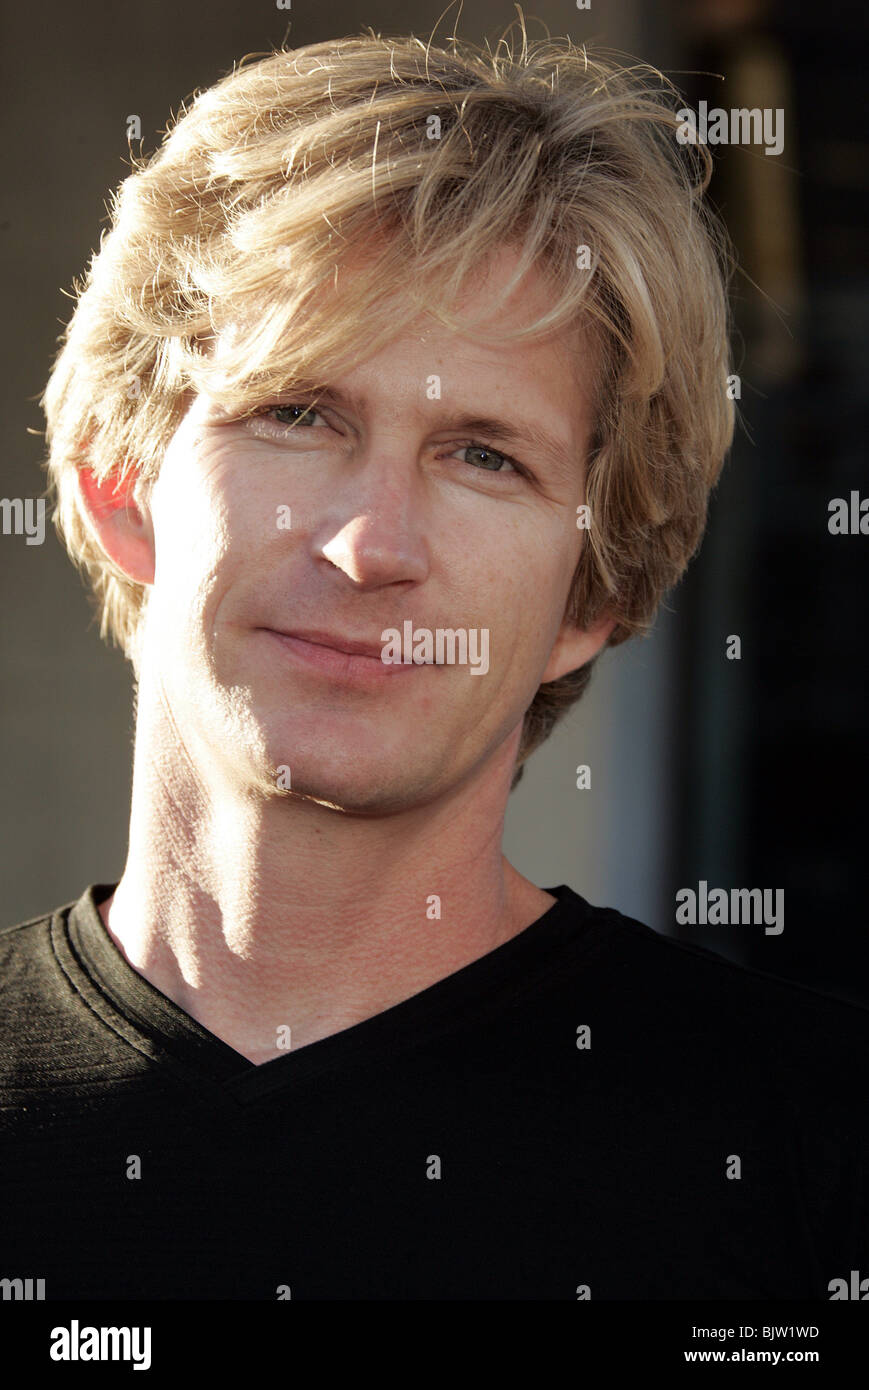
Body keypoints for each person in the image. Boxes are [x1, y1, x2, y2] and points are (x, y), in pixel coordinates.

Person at [1, 26, 866, 1302]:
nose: (371, 547)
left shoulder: (816, 1155)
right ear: (121, 485)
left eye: (483, 456)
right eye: (297, 413)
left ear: (596, 589)